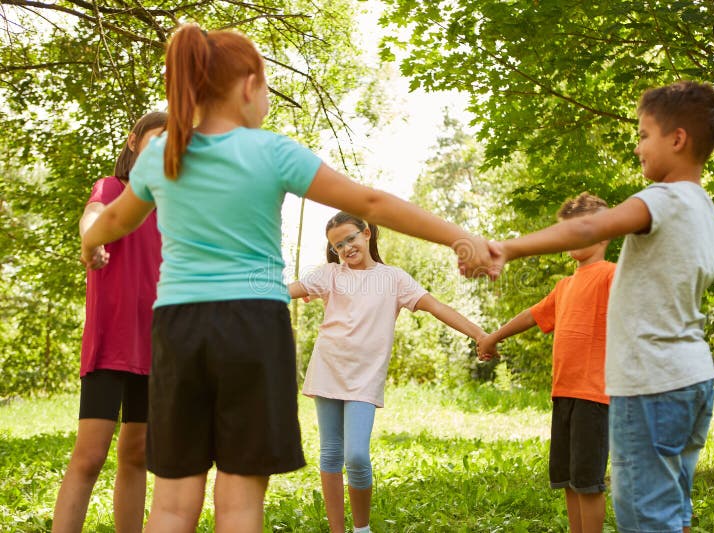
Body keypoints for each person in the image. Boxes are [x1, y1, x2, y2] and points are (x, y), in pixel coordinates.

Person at [80, 24, 495, 533]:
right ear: (249, 86)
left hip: (177, 328)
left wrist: (90, 243)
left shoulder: (163, 156)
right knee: (239, 503)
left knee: (171, 504)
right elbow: (370, 202)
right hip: (252, 324)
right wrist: (459, 237)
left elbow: (112, 221)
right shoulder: (272, 151)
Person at [487, 81, 714, 533]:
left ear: (677, 139)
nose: (638, 147)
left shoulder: (663, 198)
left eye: (643, 135)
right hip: (693, 380)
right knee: (674, 509)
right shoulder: (706, 211)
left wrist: (507, 248)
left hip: (651, 384)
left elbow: (589, 228)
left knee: (645, 517)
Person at [288, 211, 486, 533]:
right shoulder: (329, 275)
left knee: (356, 455)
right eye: (338, 245)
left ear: (367, 233)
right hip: (327, 369)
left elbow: (436, 307)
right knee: (331, 453)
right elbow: (287, 290)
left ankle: (361, 529)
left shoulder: (394, 279)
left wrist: (479, 334)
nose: (346, 248)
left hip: (364, 378)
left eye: (351, 238)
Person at [53, 111, 167, 533]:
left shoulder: (171, 208)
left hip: (156, 344)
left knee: (136, 453)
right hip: (112, 341)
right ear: (134, 141)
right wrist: (91, 242)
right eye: (157, 139)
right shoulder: (113, 188)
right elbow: (92, 216)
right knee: (90, 455)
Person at [478, 192, 614, 533]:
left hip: (595, 396)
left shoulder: (613, 275)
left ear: (605, 234)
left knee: (588, 481)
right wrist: (494, 336)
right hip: (564, 393)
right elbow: (531, 315)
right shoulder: (564, 286)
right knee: (568, 478)